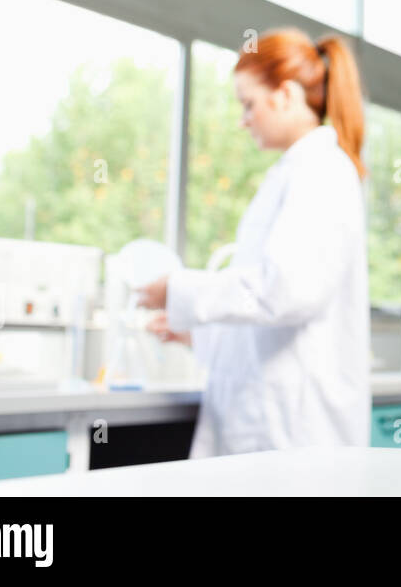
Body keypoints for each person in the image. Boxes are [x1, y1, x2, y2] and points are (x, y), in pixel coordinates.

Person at [137, 28, 370, 457]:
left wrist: (178, 289)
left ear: (284, 94)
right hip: (269, 423)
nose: (243, 119)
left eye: (248, 104)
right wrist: (197, 334)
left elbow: (285, 292)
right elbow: (265, 313)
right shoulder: (290, 174)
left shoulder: (322, 171)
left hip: (298, 431)